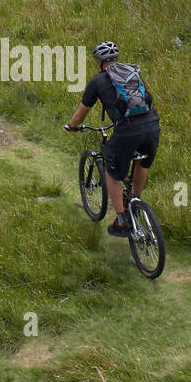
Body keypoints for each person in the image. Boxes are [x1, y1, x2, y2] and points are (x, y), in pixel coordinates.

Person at [64, 41, 160, 238]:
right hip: (152, 125)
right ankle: (134, 202)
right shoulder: (132, 72)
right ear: (116, 59)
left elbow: (81, 114)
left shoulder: (98, 81)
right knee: (142, 162)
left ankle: (122, 221)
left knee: (111, 172)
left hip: (128, 130)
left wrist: (72, 127)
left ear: (99, 62)